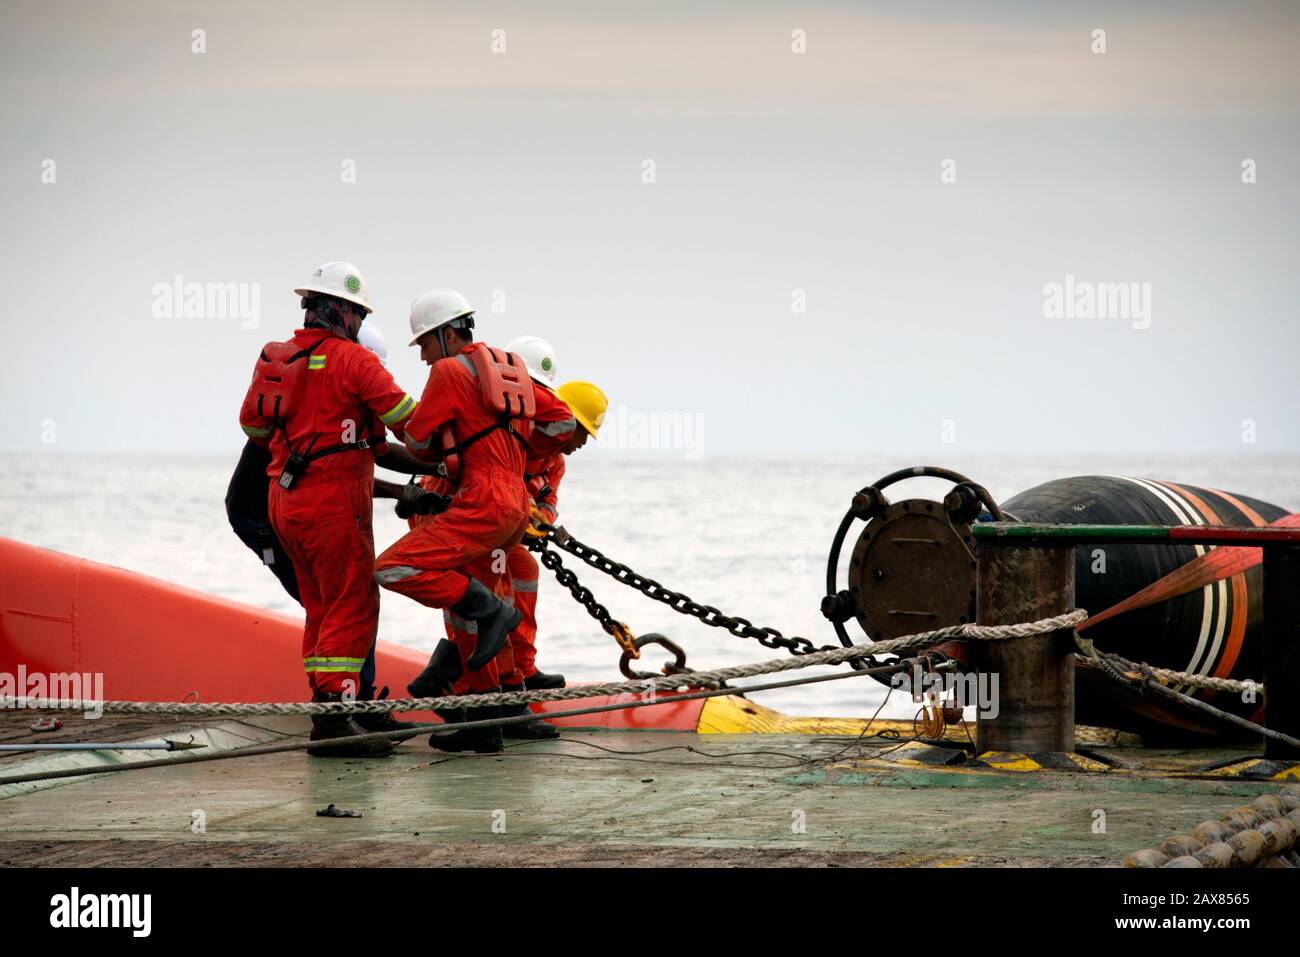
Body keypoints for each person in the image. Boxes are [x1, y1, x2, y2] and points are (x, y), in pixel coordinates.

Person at [374, 290, 577, 753]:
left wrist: (443, 447)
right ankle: (499, 712)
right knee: (488, 605)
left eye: (425, 344)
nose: (425, 358)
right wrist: (517, 450)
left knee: (395, 570)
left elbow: (421, 443)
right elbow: (563, 425)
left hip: (478, 501)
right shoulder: (509, 368)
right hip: (514, 505)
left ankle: (482, 689)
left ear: (447, 334)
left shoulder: (448, 372)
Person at [238, 262, 419, 757]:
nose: (360, 324)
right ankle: (336, 724)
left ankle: (328, 711)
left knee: (320, 607)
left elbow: (253, 427)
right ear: (343, 311)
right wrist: (452, 454)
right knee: (352, 603)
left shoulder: (278, 357)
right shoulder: (355, 361)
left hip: (283, 502)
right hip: (333, 507)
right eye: (358, 314)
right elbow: (411, 425)